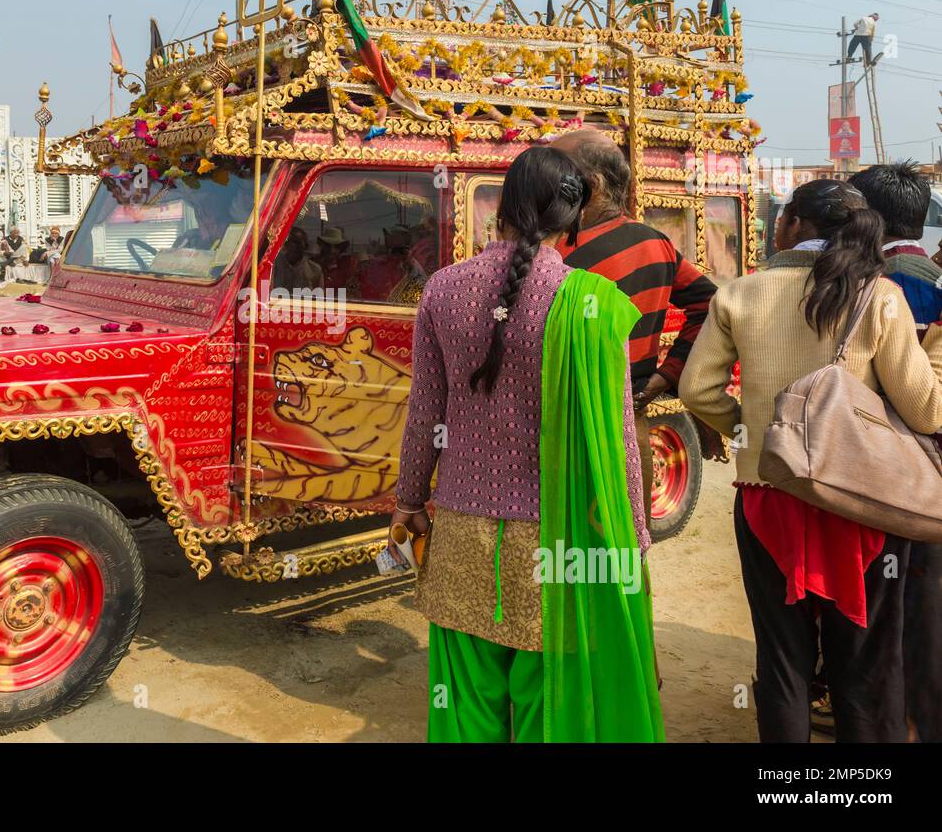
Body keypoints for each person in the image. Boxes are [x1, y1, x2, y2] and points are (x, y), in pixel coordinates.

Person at [394, 146, 662, 743]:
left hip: (462, 531)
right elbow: (618, 439)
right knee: (549, 709)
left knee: (464, 708)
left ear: (502, 205)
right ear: (573, 217)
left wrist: (409, 501)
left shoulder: (440, 290)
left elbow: (424, 416)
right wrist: (634, 538)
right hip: (557, 546)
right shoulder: (591, 306)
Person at [679, 179, 942, 743]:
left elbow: (698, 390)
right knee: (866, 660)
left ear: (794, 223)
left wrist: (761, 438)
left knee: (782, 660)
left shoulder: (741, 293)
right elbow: (926, 411)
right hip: (860, 499)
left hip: (768, 497)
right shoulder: (880, 296)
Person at [549, 129, 719, 514]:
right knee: (624, 552)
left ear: (590, 186)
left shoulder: (556, 252)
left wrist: (669, 372)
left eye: (556, 174)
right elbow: (710, 305)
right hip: (630, 433)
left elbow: (710, 306)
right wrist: (665, 376)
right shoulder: (654, 243)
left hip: (565, 438)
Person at [850, 161, 942, 741]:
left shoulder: (857, 285)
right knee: (926, 606)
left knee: (872, 608)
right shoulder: (934, 281)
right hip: (931, 474)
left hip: (865, 472)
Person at [272, 226, 324, 291]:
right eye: (291, 242)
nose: (294, 246)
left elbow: (319, 297)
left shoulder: (315, 270)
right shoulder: (274, 266)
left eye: (298, 243)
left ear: (305, 246)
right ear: (286, 244)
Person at [317, 226, 356, 292]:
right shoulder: (314, 267)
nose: (332, 250)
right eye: (328, 245)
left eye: (336, 247)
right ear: (322, 246)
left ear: (341, 248)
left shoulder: (346, 267)